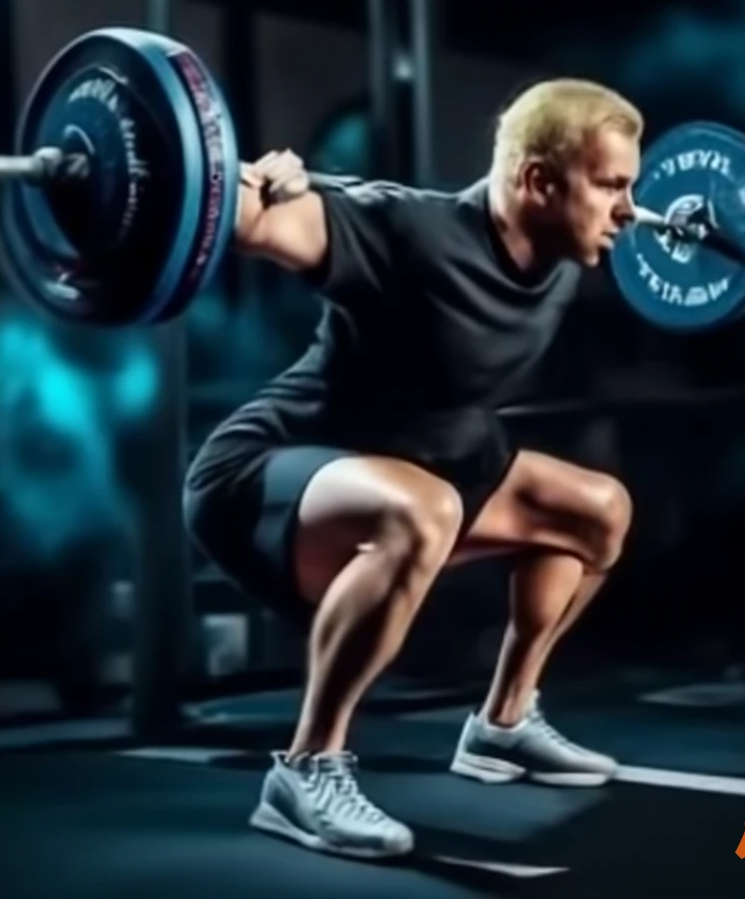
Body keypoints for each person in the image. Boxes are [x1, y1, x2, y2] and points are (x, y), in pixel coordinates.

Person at [184, 78, 640, 859]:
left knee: (599, 509)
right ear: (537, 182)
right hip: (262, 477)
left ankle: (502, 725)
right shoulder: (411, 230)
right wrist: (250, 187)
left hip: (427, 465)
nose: (629, 211)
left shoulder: (562, 260)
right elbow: (255, 228)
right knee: (421, 508)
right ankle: (306, 771)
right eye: (612, 186)